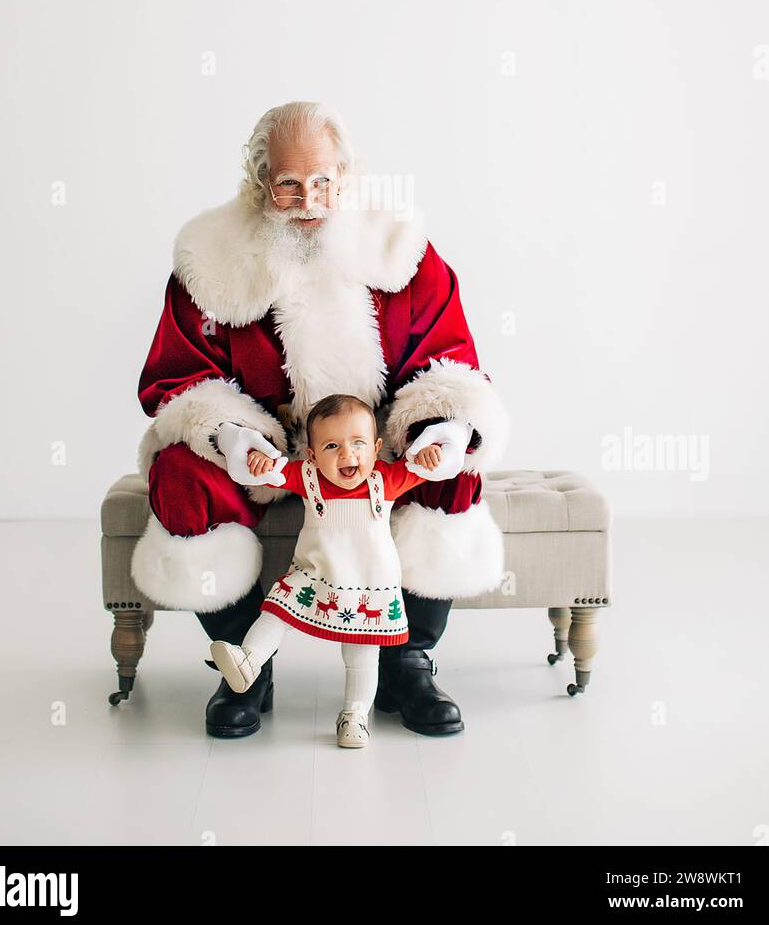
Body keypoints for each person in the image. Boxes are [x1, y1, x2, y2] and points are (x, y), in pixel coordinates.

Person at [131, 100, 510, 740]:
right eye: (287, 185)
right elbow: (181, 380)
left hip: (378, 456)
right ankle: (247, 669)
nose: (309, 202)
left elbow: (449, 362)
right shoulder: (210, 262)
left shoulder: (400, 250)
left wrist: (440, 431)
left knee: (456, 458)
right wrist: (231, 434)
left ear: (345, 176)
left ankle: (406, 662)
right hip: (264, 459)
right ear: (259, 184)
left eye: (322, 182)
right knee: (178, 473)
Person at [210, 394, 468, 748]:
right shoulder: (308, 477)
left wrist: (431, 454)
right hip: (315, 574)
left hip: (368, 584)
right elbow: (272, 470)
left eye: (358, 443)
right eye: (332, 446)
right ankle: (248, 662)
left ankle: (355, 714)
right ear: (313, 455)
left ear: (376, 448)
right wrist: (256, 460)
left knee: (362, 652)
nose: (347, 455)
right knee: (275, 610)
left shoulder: (386, 480)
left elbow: (425, 468)